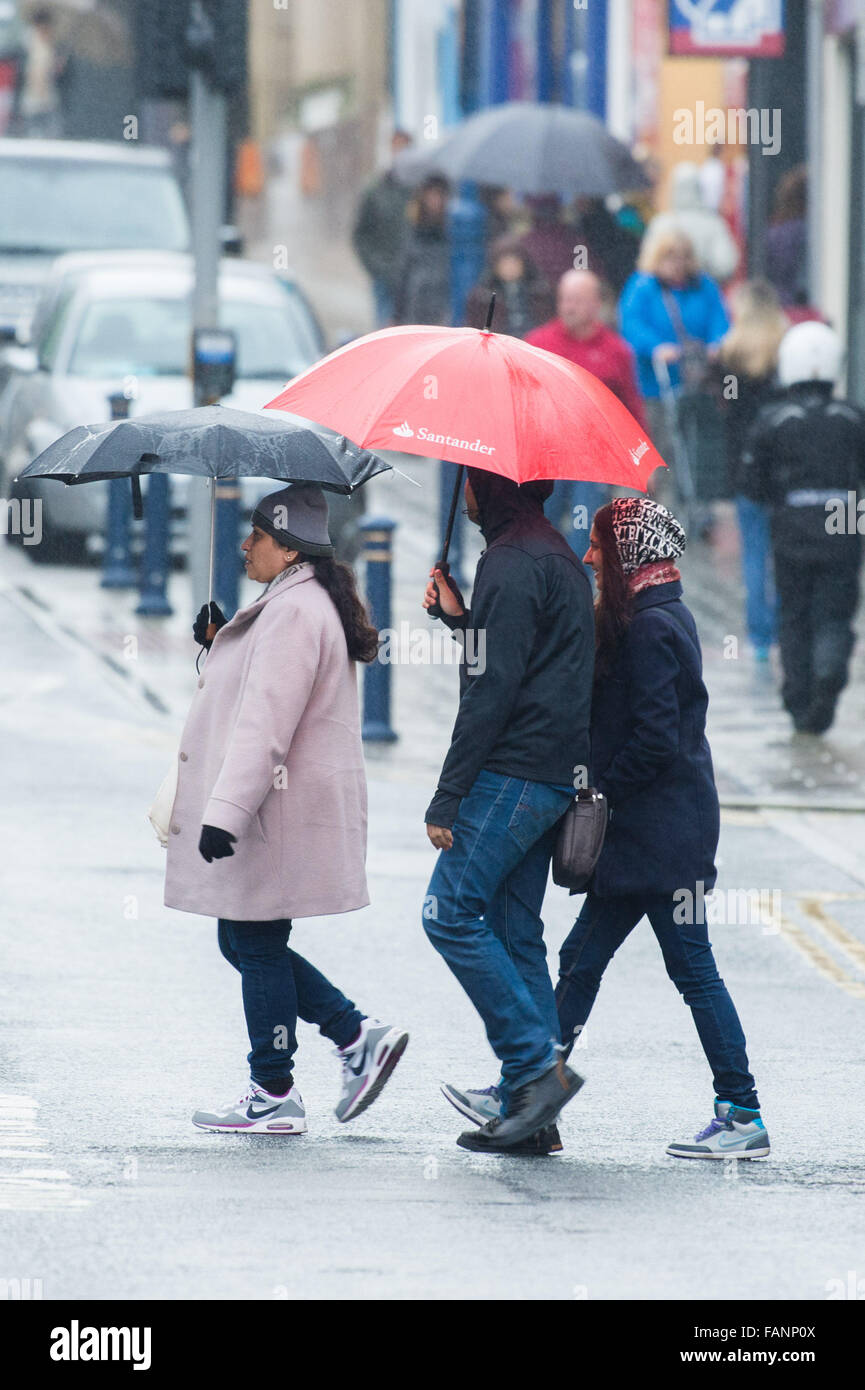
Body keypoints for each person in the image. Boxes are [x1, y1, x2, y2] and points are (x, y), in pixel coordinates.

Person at [164, 485, 409, 1133]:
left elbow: (263, 723)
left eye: (256, 536)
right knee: (243, 937)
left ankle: (276, 1090)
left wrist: (227, 812)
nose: (245, 545)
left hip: (271, 807)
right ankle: (353, 1036)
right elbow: (253, 690)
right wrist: (221, 642)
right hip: (279, 805)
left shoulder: (294, 613)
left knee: (255, 939)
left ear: (288, 546)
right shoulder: (294, 602)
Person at [555, 498, 770, 1160]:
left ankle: (742, 1112)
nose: (589, 556)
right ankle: (528, 1085)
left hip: (658, 839)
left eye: (598, 546)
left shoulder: (651, 627)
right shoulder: (651, 615)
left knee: (690, 969)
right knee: (581, 960)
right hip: (649, 838)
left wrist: (599, 789)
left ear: (626, 555)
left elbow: (654, 738)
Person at [421, 469, 594, 1154]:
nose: (459, 491)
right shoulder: (545, 552)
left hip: (513, 774)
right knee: (516, 933)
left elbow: (490, 693)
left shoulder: (511, 562)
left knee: (450, 913)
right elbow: (521, 663)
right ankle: (535, 1117)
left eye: (466, 479)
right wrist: (462, 620)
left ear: (488, 486)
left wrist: (448, 793)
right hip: (551, 775)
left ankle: (533, 1070)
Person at [740, 322, 865, 734]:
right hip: (844, 524)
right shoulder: (853, 418)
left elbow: (752, 485)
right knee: (834, 612)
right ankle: (830, 665)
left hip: (791, 529)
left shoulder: (774, 420)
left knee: (793, 614)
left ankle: (798, 696)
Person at [526, 269, 644, 556]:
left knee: (586, 529)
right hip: (548, 456)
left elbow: (631, 406)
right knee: (542, 526)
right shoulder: (538, 343)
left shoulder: (617, 352)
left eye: (577, 300)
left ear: (596, 304)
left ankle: (580, 589)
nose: (568, 307)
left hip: (593, 457)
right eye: (564, 299)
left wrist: (643, 460)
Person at [619, 230, 729, 511]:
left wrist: (718, 343)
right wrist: (656, 347)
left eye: (682, 258)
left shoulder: (703, 286)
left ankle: (695, 506)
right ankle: (653, 506)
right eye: (670, 258)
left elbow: (720, 318)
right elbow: (630, 324)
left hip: (696, 380)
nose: (677, 265)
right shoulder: (642, 286)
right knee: (660, 443)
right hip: (656, 383)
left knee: (695, 444)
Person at [716, 280, 789, 659]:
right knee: (781, 548)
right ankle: (781, 625)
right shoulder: (784, 352)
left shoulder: (730, 354)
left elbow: (727, 409)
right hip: (782, 463)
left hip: (746, 464)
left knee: (754, 551)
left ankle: (760, 635)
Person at [352, 130, 413, 327]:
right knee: (385, 330)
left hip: (415, 277)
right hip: (385, 277)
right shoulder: (376, 191)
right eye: (397, 148)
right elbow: (360, 235)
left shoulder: (420, 189)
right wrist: (376, 266)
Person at [643, 161, 739, 285]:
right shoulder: (713, 224)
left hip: (694, 292)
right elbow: (726, 265)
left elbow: (647, 264)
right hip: (681, 293)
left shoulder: (661, 223)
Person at [464, 236, 553, 338]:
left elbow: (548, 325)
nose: (510, 268)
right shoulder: (482, 297)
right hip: (497, 345)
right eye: (504, 263)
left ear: (524, 264)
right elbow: (475, 330)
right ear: (495, 266)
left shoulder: (540, 292)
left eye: (514, 262)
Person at [394, 175, 452, 326]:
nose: (435, 201)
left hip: (442, 300)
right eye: (431, 195)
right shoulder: (413, 228)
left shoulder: (452, 229)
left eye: (439, 195)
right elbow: (403, 272)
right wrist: (397, 314)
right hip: (416, 301)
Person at [518, 194, 579, 292]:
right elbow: (584, 269)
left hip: (540, 297)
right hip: (568, 292)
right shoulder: (574, 239)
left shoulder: (524, 242)